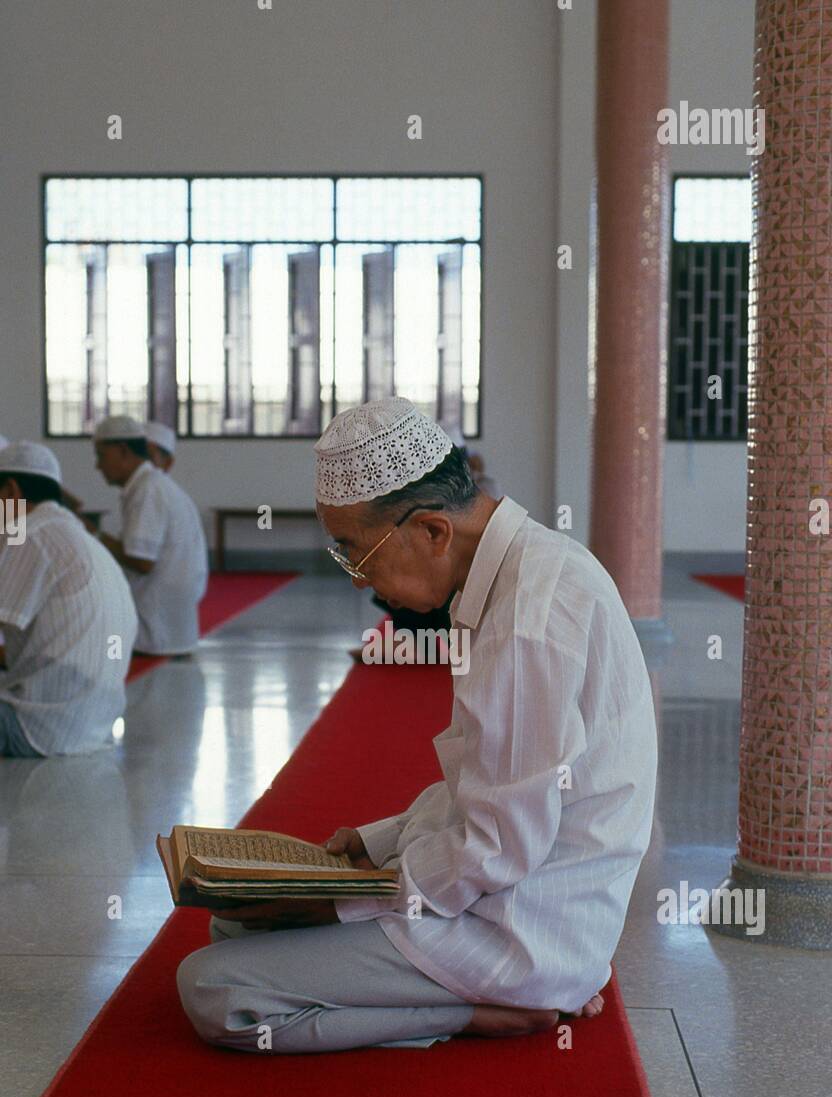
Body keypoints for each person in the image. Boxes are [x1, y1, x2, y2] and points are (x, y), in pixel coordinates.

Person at [177, 396, 658, 1054]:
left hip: (521, 926)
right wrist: (379, 845)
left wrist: (340, 903)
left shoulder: (526, 620)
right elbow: (486, 787)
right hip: (501, 892)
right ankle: (460, 996)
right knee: (238, 928)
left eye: (355, 552)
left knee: (217, 990)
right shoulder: (518, 571)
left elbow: (496, 850)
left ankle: (481, 1011)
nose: (356, 581)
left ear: (433, 531)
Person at [0, 442, 138, 756]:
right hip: (89, 723)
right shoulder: (72, 533)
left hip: (40, 725)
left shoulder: (29, 533)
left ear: (10, 492)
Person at [93, 415, 208, 656]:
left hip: (155, 629)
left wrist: (92, 536)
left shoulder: (148, 489)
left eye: (102, 456)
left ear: (123, 451)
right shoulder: (151, 486)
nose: (98, 466)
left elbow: (141, 561)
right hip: (169, 622)